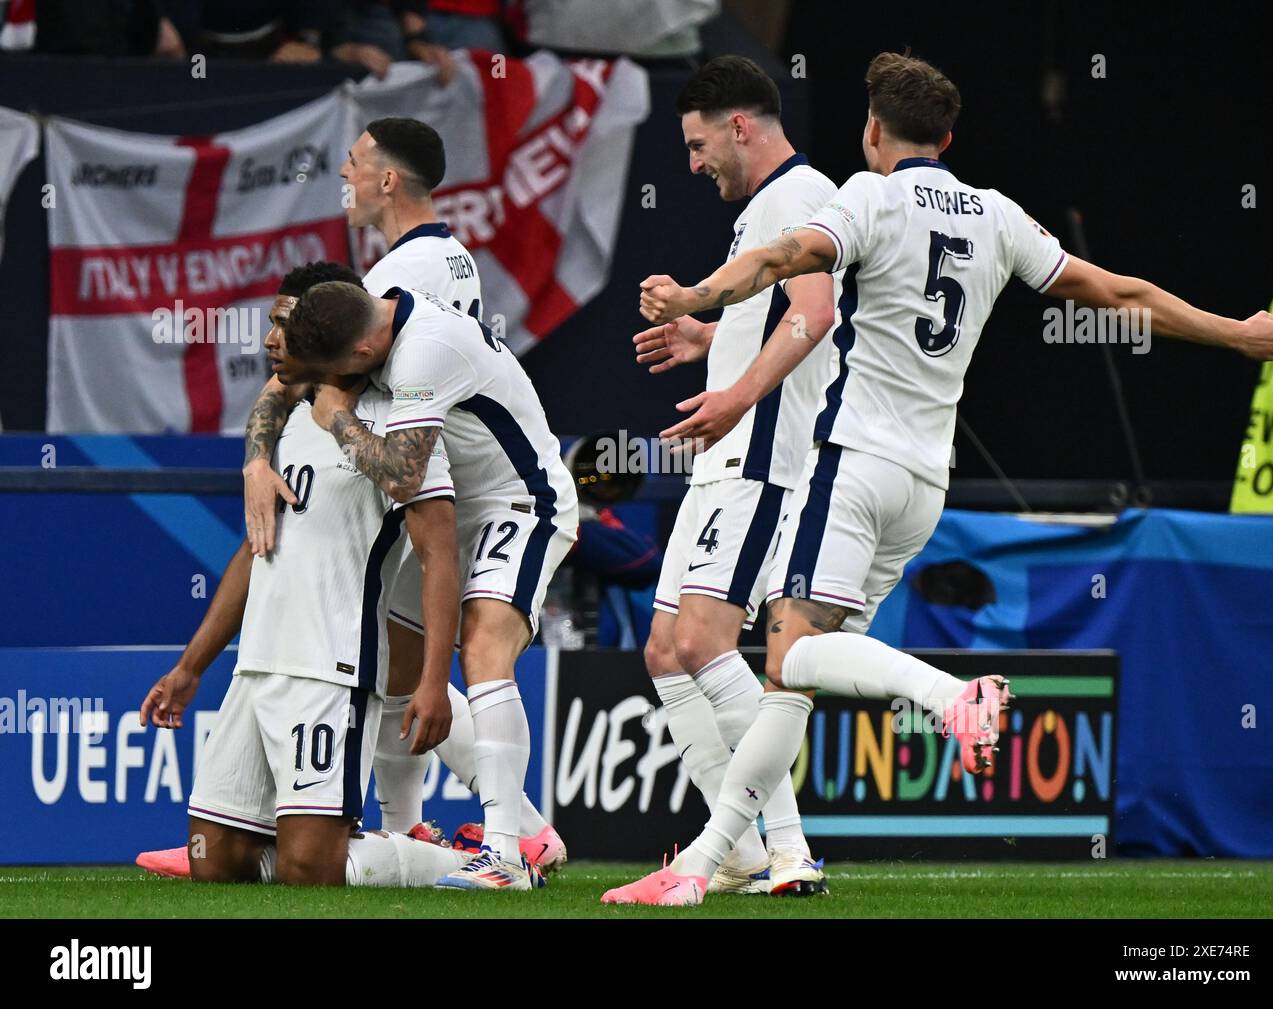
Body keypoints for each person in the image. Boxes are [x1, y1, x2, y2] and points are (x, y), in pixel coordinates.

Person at [605, 50, 1273, 906]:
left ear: (874, 132)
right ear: (951, 136)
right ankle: (715, 865)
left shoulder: (867, 194)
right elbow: (1115, 292)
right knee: (791, 676)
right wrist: (1234, 332)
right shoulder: (997, 215)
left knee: (797, 652)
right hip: (926, 483)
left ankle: (949, 693)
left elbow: (785, 260)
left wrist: (699, 293)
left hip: (850, 462)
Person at [136, 263, 562, 879]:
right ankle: (375, 846)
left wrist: (435, 679)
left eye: (287, 326)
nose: (272, 341)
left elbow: (438, 552)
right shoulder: (286, 419)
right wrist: (189, 666)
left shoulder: (404, 422)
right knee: (215, 863)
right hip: (255, 665)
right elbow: (255, 550)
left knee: (311, 869)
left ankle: (471, 853)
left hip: (331, 667)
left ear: (336, 343)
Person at [285, 281, 579, 890]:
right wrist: (258, 463)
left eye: (343, 373)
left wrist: (335, 413)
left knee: (482, 650)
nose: (338, 383)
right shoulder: (369, 315)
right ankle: (408, 827)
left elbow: (401, 473)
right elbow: (289, 381)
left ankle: (505, 854)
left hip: (520, 504)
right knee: (397, 667)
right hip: (453, 509)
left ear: (366, 348)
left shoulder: (423, 350)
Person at [630, 55, 837, 896]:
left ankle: (788, 851)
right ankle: (746, 850)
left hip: (762, 453)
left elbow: (816, 317)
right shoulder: (766, 207)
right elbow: (776, 317)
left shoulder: (799, 197)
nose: (692, 163)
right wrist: (712, 341)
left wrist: (731, 392)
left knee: (705, 641)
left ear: (739, 125)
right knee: (666, 650)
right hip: (729, 451)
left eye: (696, 143)